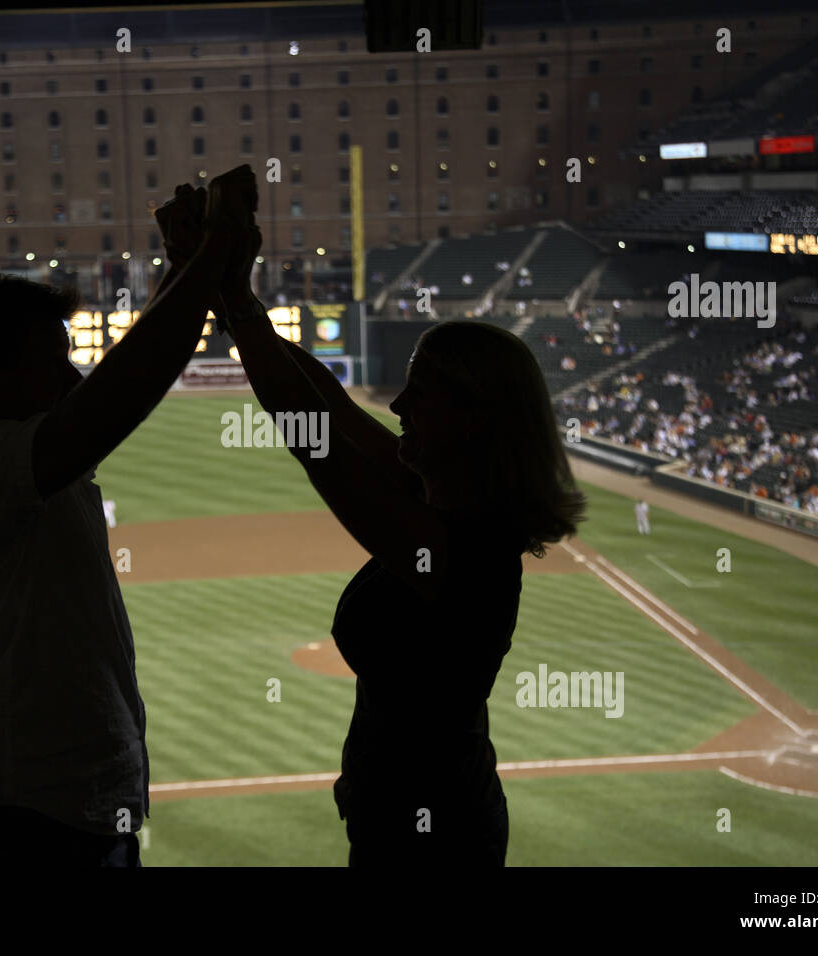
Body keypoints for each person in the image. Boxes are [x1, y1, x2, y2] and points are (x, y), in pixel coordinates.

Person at [0, 167, 258, 867]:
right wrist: (212, 258)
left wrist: (183, 271)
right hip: (21, 830)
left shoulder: (18, 465)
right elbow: (113, 399)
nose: (74, 379)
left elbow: (102, 390)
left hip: (73, 817)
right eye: (55, 362)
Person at [222, 247, 585, 864]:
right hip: (415, 822)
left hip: (433, 841)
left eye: (418, 398)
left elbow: (310, 432)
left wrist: (229, 293)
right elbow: (330, 405)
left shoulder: (458, 548)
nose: (395, 408)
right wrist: (238, 303)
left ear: (472, 420)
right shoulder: (441, 504)